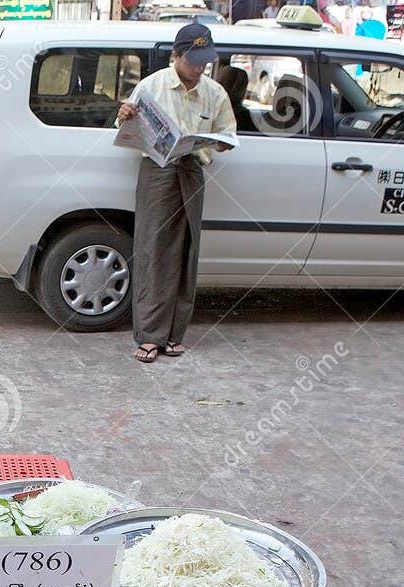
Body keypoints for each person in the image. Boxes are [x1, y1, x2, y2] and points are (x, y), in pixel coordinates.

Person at [117, 21, 234, 364]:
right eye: (193, 61)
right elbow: (125, 126)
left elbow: (227, 131)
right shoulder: (151, 86)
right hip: (158, 171)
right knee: (153, 250)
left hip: (191, 170)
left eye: (205, 62)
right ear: (176, 56)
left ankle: (173, 334)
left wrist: (221, 143)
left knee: (186, 250)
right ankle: (150, 335)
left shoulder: (214, 93)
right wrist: (125, 115)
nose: (199, 68)